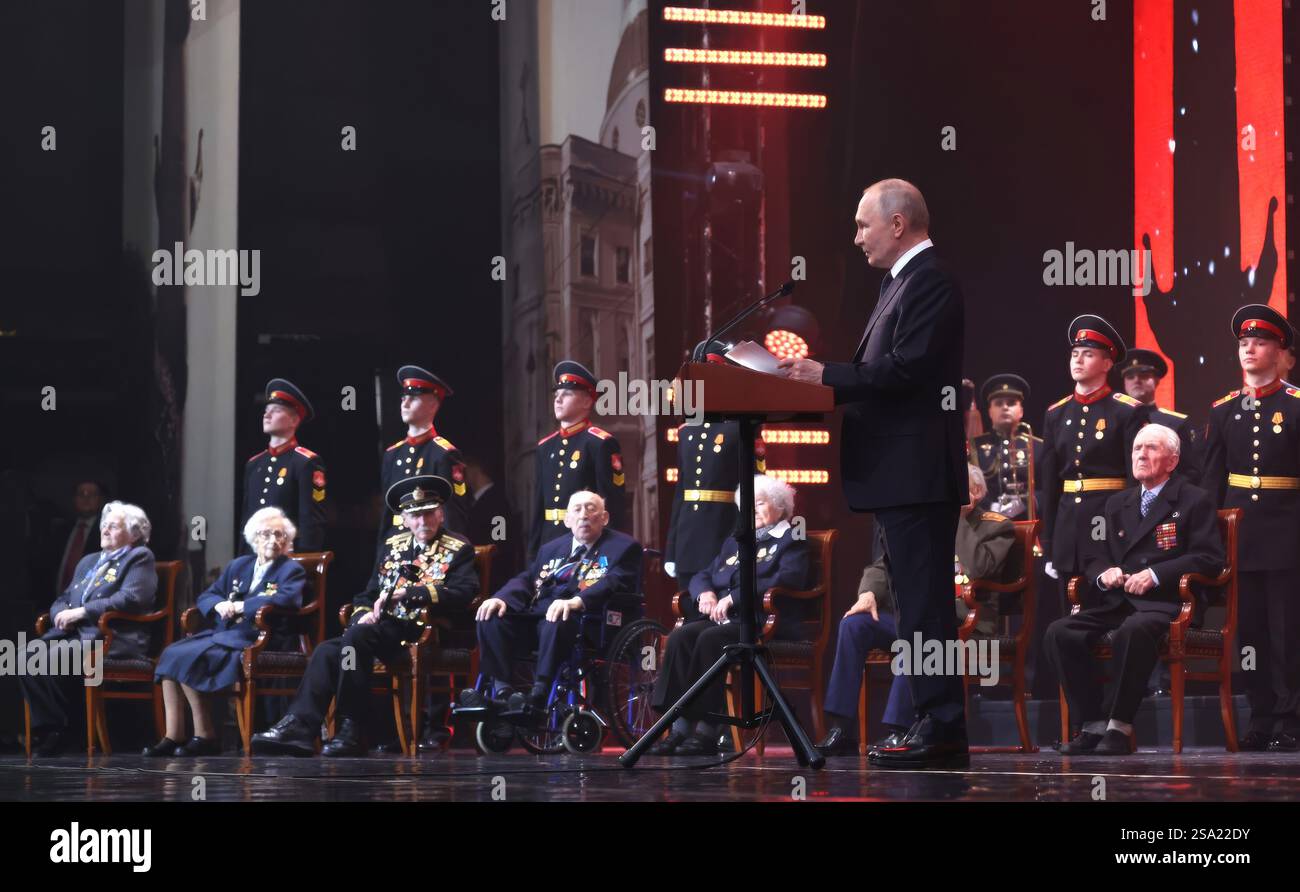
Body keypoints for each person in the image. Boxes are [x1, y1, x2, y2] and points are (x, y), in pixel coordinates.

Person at [778, 178, 969, 768]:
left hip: (917, 471)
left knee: (926, 606)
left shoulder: (929, 279)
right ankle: (930, 722)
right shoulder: (897, 282)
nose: (855, 237)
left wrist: (826, 376)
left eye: (863, 225)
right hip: (896, 474)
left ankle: (940, 726)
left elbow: (908, 369)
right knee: (914, 602)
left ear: (897, 223)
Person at [251, 476, 478, 757]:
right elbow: (366, 595)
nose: (423, 522)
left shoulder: (458, 548)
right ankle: (300, 727)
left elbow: (466, 593)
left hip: (423, 632)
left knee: (352, 640)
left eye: (429, 513)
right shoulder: (392, 546)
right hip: (381, 632)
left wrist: (409, 594)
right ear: (404, 519)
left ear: (441, 513)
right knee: (326, 651)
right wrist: (362, 615)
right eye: (415, 515)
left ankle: (352, 728)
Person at [1048, 424, 1223, 755]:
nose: (1141, 454)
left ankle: (1120, 726)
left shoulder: (1193, 499)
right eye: (1137, 448)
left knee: (1134, 629)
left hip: (1166, 603)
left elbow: (1209, 558)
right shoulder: (1117, 503)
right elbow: (1094, 556)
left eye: (1151, 448)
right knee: (1060, 632)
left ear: (1172, 461)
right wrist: (1105, 573)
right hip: (1119, 601)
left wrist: (1156, 574)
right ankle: (1092, 725)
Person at [816, 465, 1015, 756]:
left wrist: (957, 517)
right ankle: (841, 728)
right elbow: (884, 563)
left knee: (918, 632)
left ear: (979, 492)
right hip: (918, 615)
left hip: (964, 623)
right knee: (854, 624)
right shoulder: (923, 524)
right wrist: (868, 592)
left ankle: (901, 730)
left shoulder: (996, 526)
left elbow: (979, 567)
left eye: (961, 490)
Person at [649, 474, 811, 755]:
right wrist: (706, 593)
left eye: (759, 504)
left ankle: (706, 730)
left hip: (762, 621)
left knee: (711, 640)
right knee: (681, 636)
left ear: (781, 506)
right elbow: (704, 574)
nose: (753, 512)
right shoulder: (736, 541)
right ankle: (678, 725)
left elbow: (791, 578)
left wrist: (735, 597)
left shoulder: (791, 537)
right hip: (726, 619)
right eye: (747, 506)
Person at [1203, 305, 1300, 751]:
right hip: (1242, 538)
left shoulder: (1295, 405)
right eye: (1243, 344)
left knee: (1288, 634)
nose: (1249, 350)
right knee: (1251, 637)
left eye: (1259, 343)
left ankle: (1289, 718)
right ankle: (1259, 717)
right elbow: (1212, 480)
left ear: (1281, 352)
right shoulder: (1223, 410)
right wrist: (1211, 538)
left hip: (1288, 535)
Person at [145, 508, 305, 757]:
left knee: (187, 656)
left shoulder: (290, 569)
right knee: (171, 653)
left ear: (287, 540)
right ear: (254, 538)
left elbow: (289, 599)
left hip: (257, 637)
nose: (273, 540)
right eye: (266, 534)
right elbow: (207, 595)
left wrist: (243, 605)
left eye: (279, 534)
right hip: (226, 634)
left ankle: (205, 734)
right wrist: (219, 605)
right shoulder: (240, 565)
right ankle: (173, 734)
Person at [468, 489, 641, 712]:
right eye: (577, 510)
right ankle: (503, 693)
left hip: (586, 621)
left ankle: (539, 694)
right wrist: (501, 598)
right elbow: (528, 579)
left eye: (591, 508)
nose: (583, 515)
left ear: (604, 517)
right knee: (491, 617)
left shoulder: (623, 547)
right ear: (567, 519)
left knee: (557, 618)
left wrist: (577, 601)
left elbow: (615, 581)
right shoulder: (551, 549)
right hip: (538, 618)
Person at [19, 502, 157, 756]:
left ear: (135, 534)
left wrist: (83, 611)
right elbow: (65, 596)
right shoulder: (89, 561)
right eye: (104, 524)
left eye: (113, 526)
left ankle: (66, 731)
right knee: (23, 657)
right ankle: (53, 728)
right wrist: (59, 613)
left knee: (50, 659)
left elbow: (131, 598)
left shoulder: (139, 557)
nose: (104, 529)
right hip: (74, 634)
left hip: (111, 637)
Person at [529, 361, 625, 559]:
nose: (558, 400)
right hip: (550, 542)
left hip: (586, 542)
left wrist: (609, 553)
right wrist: (533, 553)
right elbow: (539, 506)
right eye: (556, 395)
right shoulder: (545, 447)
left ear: (587, 402)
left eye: (567, 394)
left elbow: (612, 502)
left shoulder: (599, 443)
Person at [376, 366, 470, 564]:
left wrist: (450, 560)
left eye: (414, 397)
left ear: (433, 404)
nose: (405, 402)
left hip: (431, 550)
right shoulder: (392, 454)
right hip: (396, 548)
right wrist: (381, 554)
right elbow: (387, 513)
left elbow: (453, 514)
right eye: (403, 397)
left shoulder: (444, 454)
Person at [663, 420, 765, 595]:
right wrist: (671, 551)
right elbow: (680, 493)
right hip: (688, 540)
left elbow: (755, 485)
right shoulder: (686, 432)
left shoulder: (742, 428)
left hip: (723, 532)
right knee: (688, 608)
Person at [242, 378, 326, 552]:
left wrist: (304, 564)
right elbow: (246, 522)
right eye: (266, 410)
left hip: (286, 559)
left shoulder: (305, 462)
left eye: (276, 410)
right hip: (254, 558)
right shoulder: (254, 465)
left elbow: (311, 521)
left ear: (294, 420)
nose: (267, 415)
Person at [1117, 348, 1201, 484]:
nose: (1136, 380)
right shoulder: (1114, 421)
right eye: (1130, 376)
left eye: (1144, 375)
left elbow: (1190, 472)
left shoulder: (1175, 423)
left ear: (1157, 380)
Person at [969, 374, 1042, 521]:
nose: (1005, 407)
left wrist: (1025, 503)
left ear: (1021, 410)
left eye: (1011, 402)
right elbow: (968, 489)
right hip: (986, 526)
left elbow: (1049, 489)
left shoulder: (1038, 446)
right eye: (998, 403)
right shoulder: (974, 447)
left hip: (1029, 526)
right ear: (990, 411)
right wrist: (990, 506)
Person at [51, 480, 106, 596]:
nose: (86, 498)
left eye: (92, 494)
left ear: (100, 500)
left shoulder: (108, 533)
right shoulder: (62, 530)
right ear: (74, 499)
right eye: (81, 494)